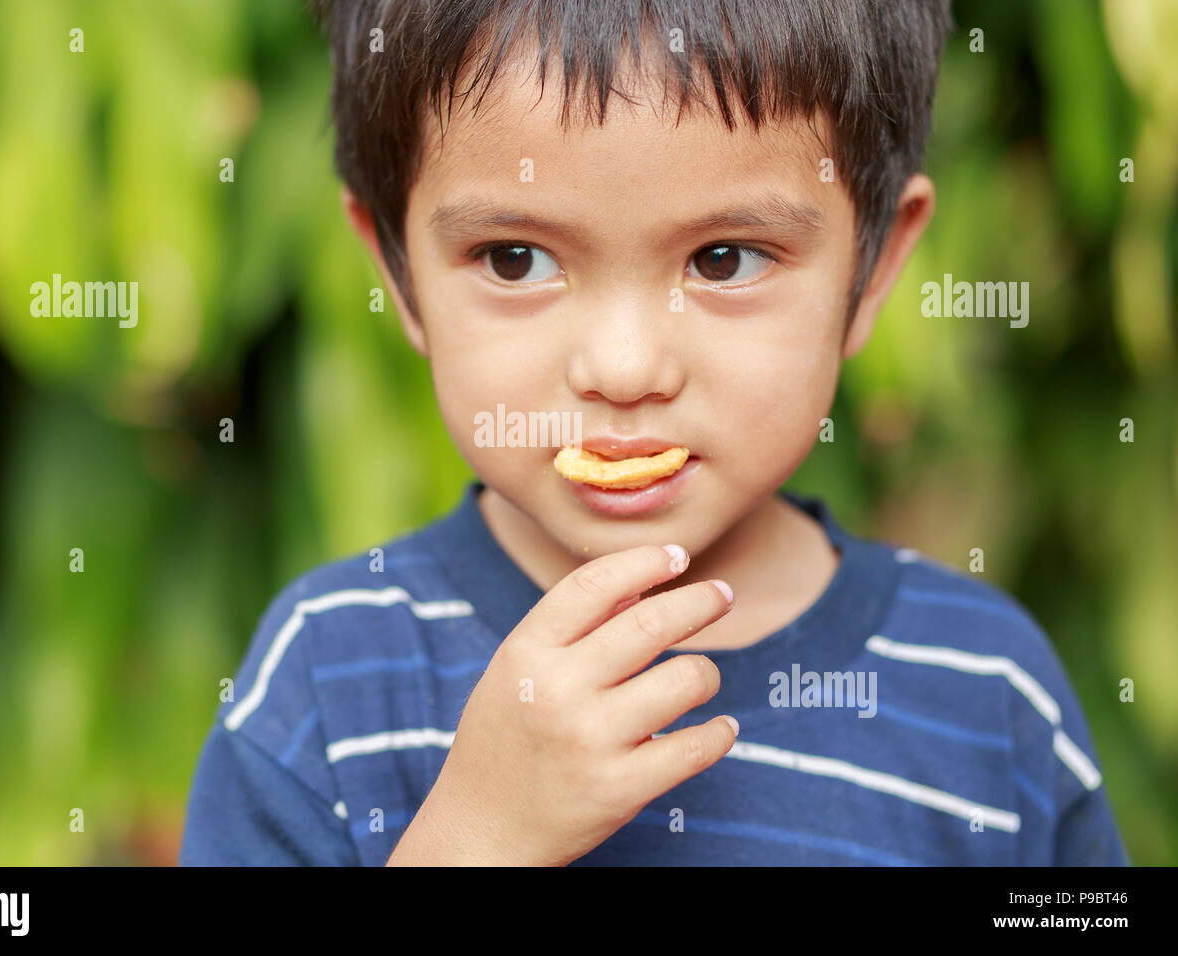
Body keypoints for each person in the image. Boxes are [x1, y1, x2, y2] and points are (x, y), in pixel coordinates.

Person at [180, 0, 1128, 866]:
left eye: (725, 260)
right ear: (399, 274)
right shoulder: (330, 682)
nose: (626, 369)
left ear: (872, 269)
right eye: (515, 260)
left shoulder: (985, 691)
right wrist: (475, 840)